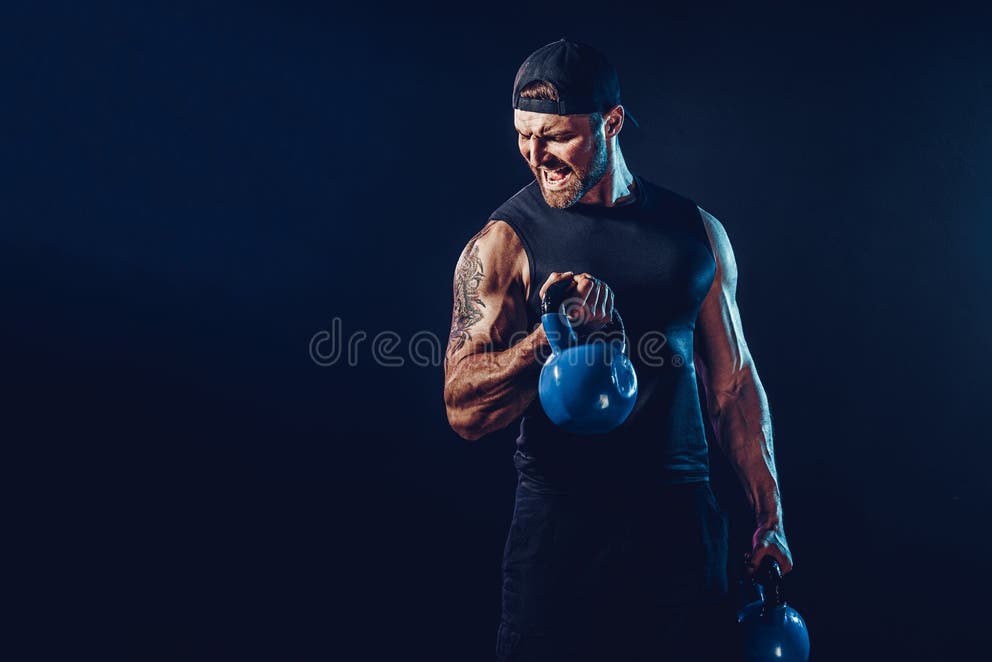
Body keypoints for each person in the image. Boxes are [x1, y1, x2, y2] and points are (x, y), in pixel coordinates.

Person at [443, 39, 793, 661]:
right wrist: (546, 340)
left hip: (681, 531)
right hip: (560, 539)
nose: (535, 156)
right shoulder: (504, 242)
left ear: (611, 122)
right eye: (524, 136)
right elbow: (463, 410)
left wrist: (771, 516)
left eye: (554, 136)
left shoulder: (695, 233)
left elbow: (733, 385)